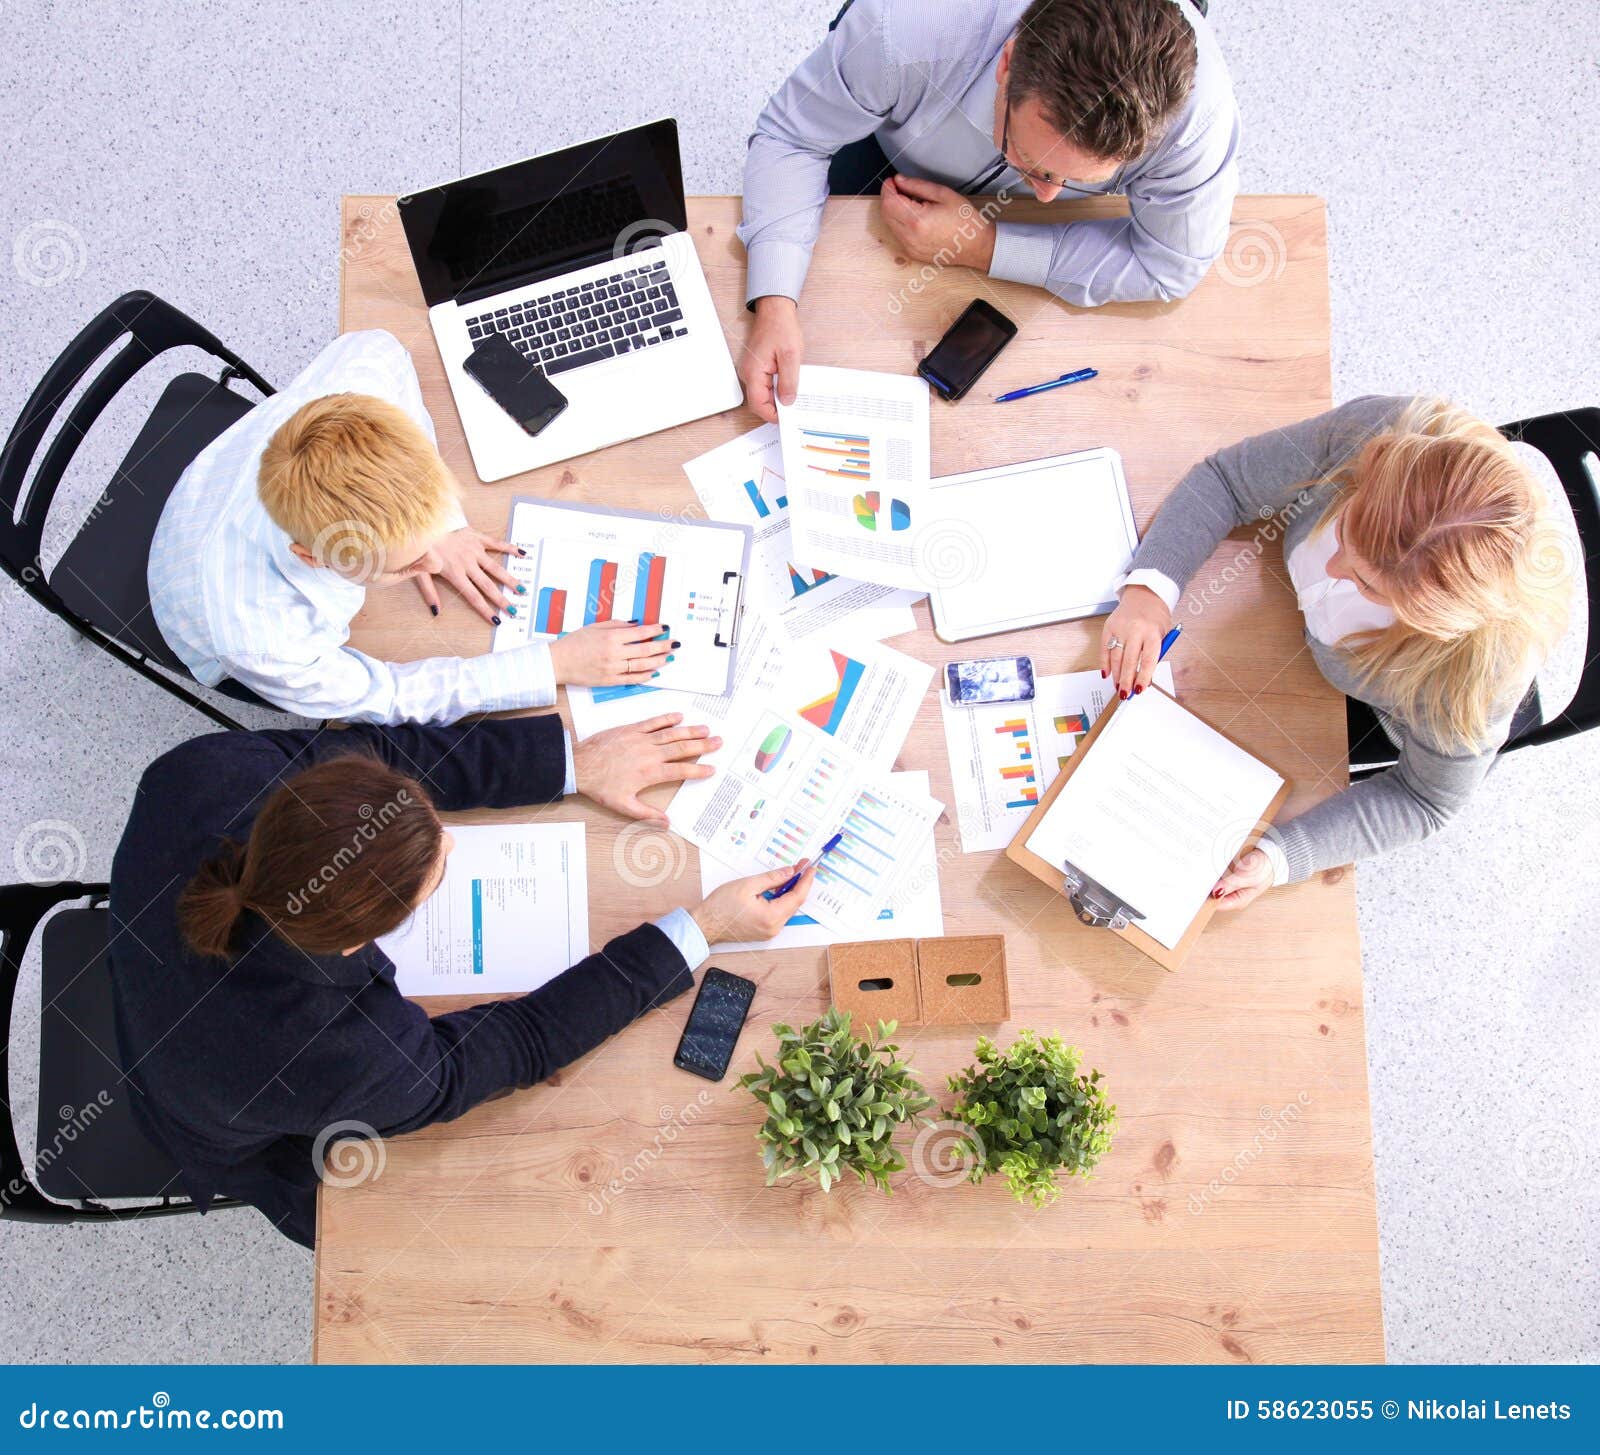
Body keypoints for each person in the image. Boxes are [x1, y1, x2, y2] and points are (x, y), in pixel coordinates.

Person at [106, 712, 812, 1246]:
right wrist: (702, 928)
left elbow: (381, 752)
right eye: (433, 873)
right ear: (361, 937)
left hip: (153, 967)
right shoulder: (343, 1055)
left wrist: (571, 761)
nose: (447, 838)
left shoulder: (201, 773)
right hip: (217, 1125)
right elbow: (516, 1042)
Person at [1099, 396, 1573, 907]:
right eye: (1346, 529)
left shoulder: (1470, 683)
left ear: (1428, 622)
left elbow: (1425, 801)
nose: (1332, 568)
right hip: (1267, 634)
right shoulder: (1376, 431)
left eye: (1368, 586)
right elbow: (1229, 482)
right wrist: (1150, 590)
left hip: (1355, 709)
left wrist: (1285, 856)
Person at [737, 0, 1239, 420]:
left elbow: (1171, 265)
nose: (1048, 196)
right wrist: (775, 301)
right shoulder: (899, 31)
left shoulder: (1197, 122)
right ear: (1008, 62)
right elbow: (792, 139)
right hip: (890, 144)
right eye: (1032, 161)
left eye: (1079, 182)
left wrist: (985, 246)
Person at [148, 329, 672, 722]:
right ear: (316, 556)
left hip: (224, 475)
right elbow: (389, 696)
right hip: (187, 594)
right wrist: (551, 664)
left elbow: (383, 347)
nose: (435, 562)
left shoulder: (360, 383)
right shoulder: (265, 641)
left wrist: (442, 526)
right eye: (407, 565)